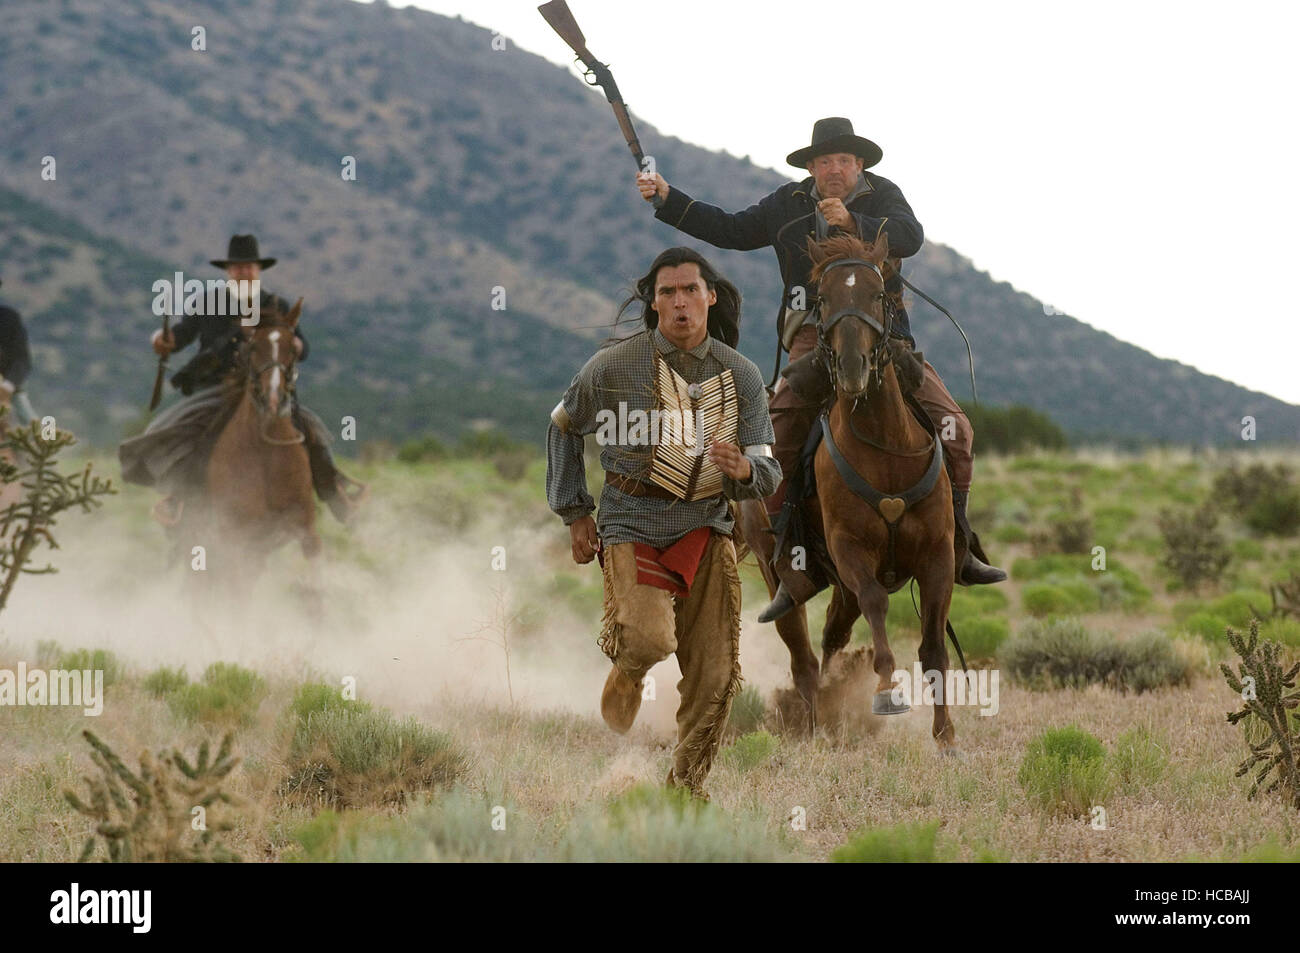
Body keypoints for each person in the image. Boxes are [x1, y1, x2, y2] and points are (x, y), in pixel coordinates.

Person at [637, 117, 1005, 623]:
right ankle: (791, 563)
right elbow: (731, 229)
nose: (835, 169)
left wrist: (856, 226)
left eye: (844, 161)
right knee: (775, 438)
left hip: (885, 336)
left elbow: (910, 237)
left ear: (859, 166)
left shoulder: (884, 197)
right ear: (812, 167)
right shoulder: (786, 205)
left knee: (957, 430)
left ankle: (959, 546)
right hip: (812, 336)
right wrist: (667, 198)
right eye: (825, 161)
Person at [546, 247, 780, 799]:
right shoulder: (612, 366)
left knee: (718, 675)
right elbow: (562, 426)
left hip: (708, 525)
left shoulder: (741, 375)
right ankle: (629, 669)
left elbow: (767, 469)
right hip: (630, 519)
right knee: (650, 638)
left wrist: (745, 468)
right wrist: (576, 510)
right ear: (653, 302)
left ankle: (684, 788)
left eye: (690, 290)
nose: (680, 302)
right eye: (668, 292)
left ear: (710, 296)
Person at [119, 234, 366, 526]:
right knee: (185, 431)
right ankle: (179, 500)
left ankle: (336, 495)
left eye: (248, 267)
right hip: (216, 388)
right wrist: (161, 340)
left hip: (264, 387)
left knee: (311, 430)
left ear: (258, 270)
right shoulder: (207, 301)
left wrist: (294, 346)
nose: (243, 272)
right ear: (228, 271)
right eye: (237, 268)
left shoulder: (276, 304)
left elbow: (301, 346)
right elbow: (180, 336)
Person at [0, 279, 37, 427]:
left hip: (7, 387)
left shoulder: (9, 319)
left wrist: (7, 386)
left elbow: (22, 359)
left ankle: (47, 446)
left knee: (29, 419)